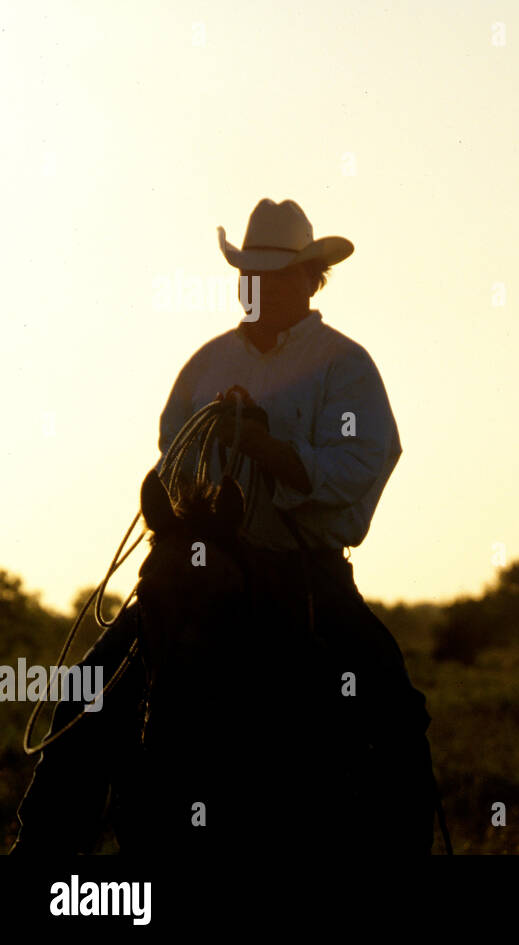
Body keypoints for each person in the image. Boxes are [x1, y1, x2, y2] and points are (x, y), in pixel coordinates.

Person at [14, 198, 439, 853]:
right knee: (90, 690)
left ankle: (400, 833)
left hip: (305, 568)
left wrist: (277, 453)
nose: (257, 289)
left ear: (310, 279)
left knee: (384, 690)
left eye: (271, 277)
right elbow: (170, 457)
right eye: (249, 277)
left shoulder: (345, 366)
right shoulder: (205, 364)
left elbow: (363, 461)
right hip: (203, 563)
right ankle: (42, 842)